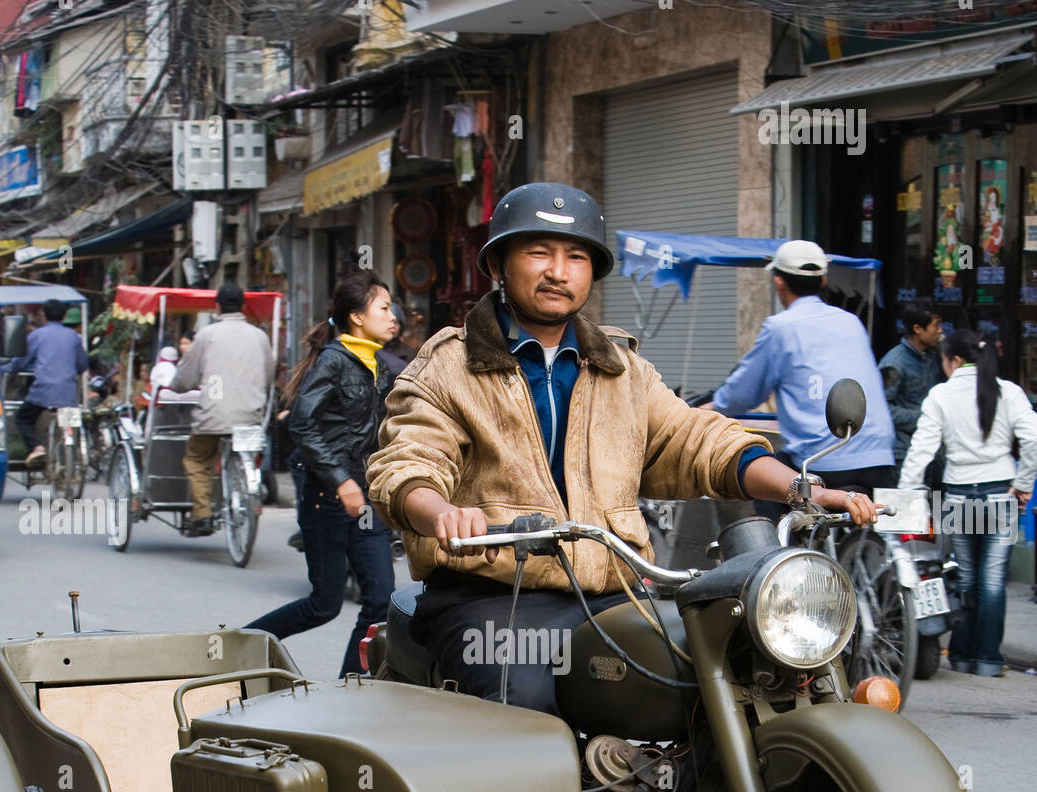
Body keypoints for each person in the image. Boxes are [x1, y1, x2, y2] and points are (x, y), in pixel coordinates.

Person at [365, 185, 877, 715]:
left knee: (724, 676)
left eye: (576, 256)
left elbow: (698, 440)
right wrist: (442, 511)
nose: (558, 271)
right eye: (539, 252)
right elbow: (408, 461)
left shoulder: (620, 366)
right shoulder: (449, 365)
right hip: (493, 599)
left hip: (612, 595)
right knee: (523, 720)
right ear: (498, 261)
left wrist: (799, 488)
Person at [246, 270, 399, 675]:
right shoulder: (335, 361)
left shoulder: (380, 367)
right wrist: (341, 480)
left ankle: (350, 685)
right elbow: (301, 424)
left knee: (381, 598)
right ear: (357, 317)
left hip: (366, 500)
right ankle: (242, 646)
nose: (392, 315)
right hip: (325, 496)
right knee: (324, 604)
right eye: (384, 307)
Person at [707, 240, 897, 497]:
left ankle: (776, 539)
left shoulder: (781, 328)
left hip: (821, 461)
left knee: (761, 475)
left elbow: (740, 396)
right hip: (881, 457)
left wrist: (706, 410)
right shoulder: (851, 322)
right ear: (823, 281)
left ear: (779, 282)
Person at [899, 329, 1037, 677]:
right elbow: (1033, 439)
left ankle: (960, 654)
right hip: (998, 495)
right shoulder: (1009, 392)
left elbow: (921, 452)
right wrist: (1022, 485)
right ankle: (988, 659)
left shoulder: (940, 396)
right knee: (992, 582)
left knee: (965, 578)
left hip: (960, 498)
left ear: (955, 360)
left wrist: (906, 496)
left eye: (944, 361)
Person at [169, 282, 274, 537]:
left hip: (213, 416)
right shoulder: (259, 336)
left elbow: (185, 377)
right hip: (250, 417)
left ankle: (203, 514)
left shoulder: (206, 335)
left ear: (216, 307)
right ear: (242, 307)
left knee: (196, 459)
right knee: (246, 453)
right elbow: (269, 376)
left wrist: (177, 386)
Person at [2, 298, 88, 463]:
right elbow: (82, 364)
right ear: (64, 316)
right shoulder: (74, 337)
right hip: (69, 394)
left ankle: (37, 447)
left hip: (43, 392)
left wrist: (8, 368)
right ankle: (74, 449)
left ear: (43, 315)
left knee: (22, 418)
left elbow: (20, 362)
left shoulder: (37, 335)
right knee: (69, 423)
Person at [877, 298, 943, 474]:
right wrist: (923, 419)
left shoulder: (934, 356)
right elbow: (882, 409)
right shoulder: (895, 362)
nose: (940, 331)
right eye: (936, 326)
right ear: (917, 329)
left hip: (931, 448)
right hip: (904, 452)